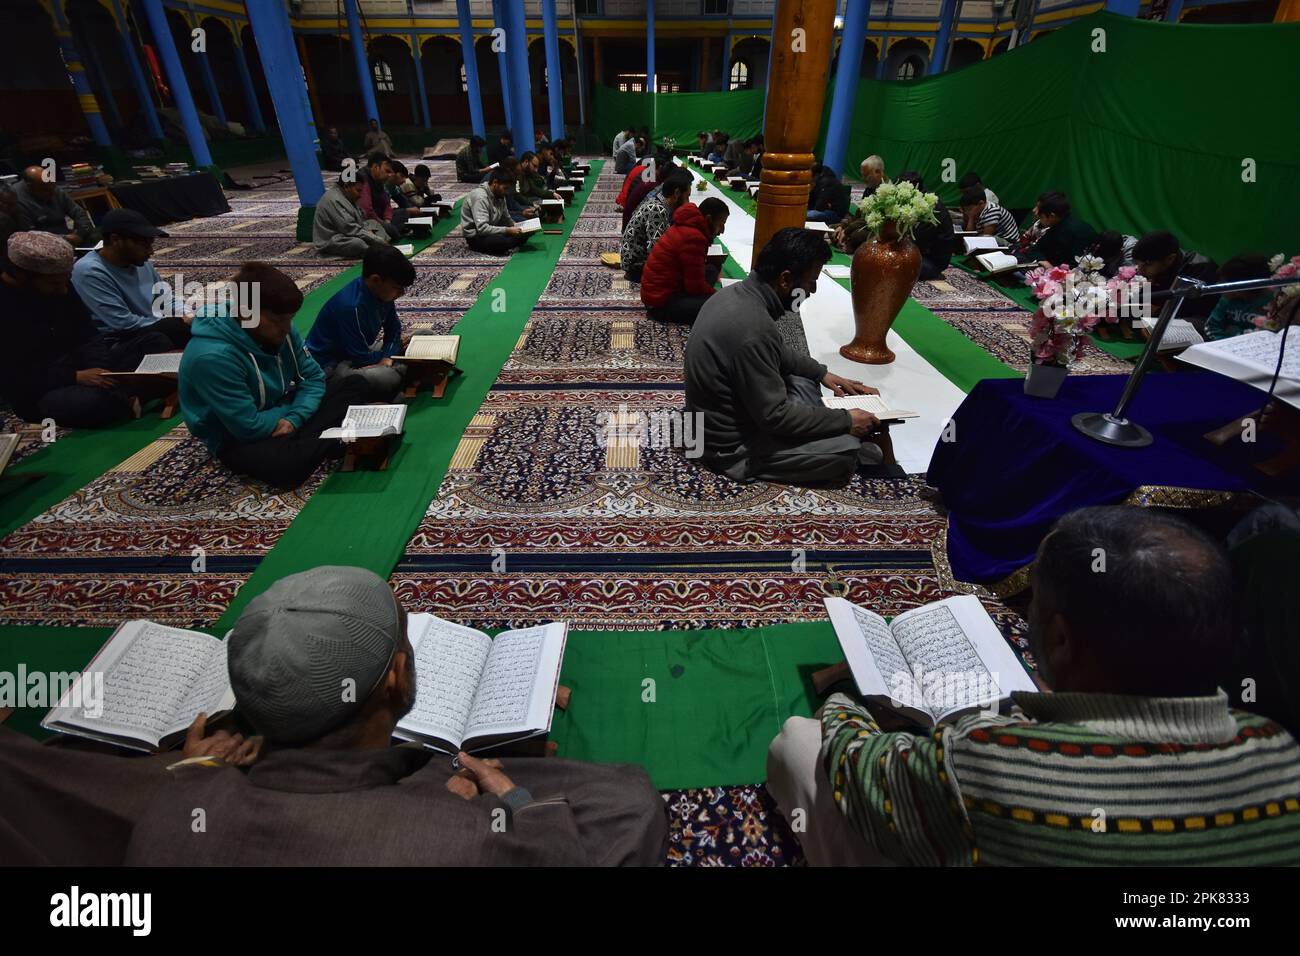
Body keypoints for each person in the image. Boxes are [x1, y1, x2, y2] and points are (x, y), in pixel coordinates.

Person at [768, 506, 1300, 866]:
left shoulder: (990, 759)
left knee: (798, 743)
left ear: (1061, 639)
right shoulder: (1276, 748)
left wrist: (847, 700)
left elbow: (854, 763)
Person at [111, 565, 669, 866]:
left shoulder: (170, 814)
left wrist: (195, 775)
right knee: (630, 806)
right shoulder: (459, 843)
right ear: (397, 679)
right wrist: (511, 798)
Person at [684, 227, 888, 488]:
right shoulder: (753, 328)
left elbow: (779, 353)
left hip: (720, 419)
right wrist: (846, 421)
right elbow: (775, 417)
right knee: (845, 453)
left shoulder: (736, 295)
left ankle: (818, 424)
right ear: (785, 280)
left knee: (804, 379)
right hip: (727, 447)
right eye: (810, 282)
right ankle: (759, 460)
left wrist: (823, 374)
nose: (812, 291)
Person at [179, 261, 371, 490]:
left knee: (356, 384)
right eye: (278, 320)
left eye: (289, 318)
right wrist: (293, 410)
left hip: (279, 409)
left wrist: (293, 418)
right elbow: (247, 427)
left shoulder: (281, 330)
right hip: (233, 435)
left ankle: (316, 439)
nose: (287, 327)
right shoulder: (212, 357)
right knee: (285, 467)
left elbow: (312, 377)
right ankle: (333, 439)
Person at [0, 231, 170, 427]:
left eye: (66, 280)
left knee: (157, 340)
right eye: (55, 284)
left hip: (87, 368)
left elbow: (87, 334)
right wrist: (76, 377)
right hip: (45, 388)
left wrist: (103, 372)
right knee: (92, 402)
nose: (64, 290)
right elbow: (13, 378)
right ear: (24, 276)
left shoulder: (59, 285)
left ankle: (128, 395)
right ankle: (132, 394)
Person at [71, 208, 191, 350]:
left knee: (209, 322)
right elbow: (123, 324)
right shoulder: (89, 271)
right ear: (116, 239)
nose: (150, 251)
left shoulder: (140, 261)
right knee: (162, 338)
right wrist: (178, 323)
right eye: (144, 244)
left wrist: (188, 315)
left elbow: (165, 299)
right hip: (117, 340)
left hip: (152, 326)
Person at [305, 244, 412, 401]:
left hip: (360, 353)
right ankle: (404, 372)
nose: (401, 294)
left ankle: (402, 371)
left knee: (423, 336)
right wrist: (390, 355)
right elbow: (360, 357)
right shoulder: (350, 306)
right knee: (388, 377)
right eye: (397, 288)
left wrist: (388, 356)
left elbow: (394, 330)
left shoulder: (382, 293)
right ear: (376, 280)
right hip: (332, 367)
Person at [640, 197, 729, 325]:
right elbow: (695, 287)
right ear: (708, 219)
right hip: (661, 303)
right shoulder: (693, 237)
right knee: (719, 304)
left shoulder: (689, 226)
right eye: (721, 224)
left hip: (663, 292)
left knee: (711, 269)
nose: (722, 230)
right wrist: (718, 296)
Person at [1133, 230, 1221, 327]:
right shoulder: (1155, 270)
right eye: (1137, 263)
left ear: (1170, 259)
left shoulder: (1201, 270)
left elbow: (1192, 310)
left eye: (1148, 264)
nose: (1140, 271)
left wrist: (1156, 311)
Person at [620, 169, 692, 283]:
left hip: (638, 262)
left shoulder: (661, 204)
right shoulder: (657, 209)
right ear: (677, 193)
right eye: (687, 196)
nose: (688, 202)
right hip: (636, 266)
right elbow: (657, 250)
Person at [15, 165, 97, 246]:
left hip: (67, 234)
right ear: (30, 186)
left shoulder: (54, 189)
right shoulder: (17, 199)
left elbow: (79, 213)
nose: (51, 193)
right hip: (41, 243)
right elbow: (29, 235)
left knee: (95, 236)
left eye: (52, 187)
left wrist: (80, 234)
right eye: (45, 190)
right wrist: (63, 238)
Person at [313, 174, 391, 259]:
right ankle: (376, 249)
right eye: (358, 190)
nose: (360, 195)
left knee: (373, 223)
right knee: (358, 243)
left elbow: (361, 218)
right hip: (334, 239)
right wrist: (375, 239)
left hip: (351, 231)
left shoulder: (347, 195)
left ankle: (377, 247)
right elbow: (349, 228)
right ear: (347, 186)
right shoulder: (334, 199)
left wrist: (369, 232)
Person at [897, 171, 954, 280]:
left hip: (932, 262)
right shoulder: (917, 201)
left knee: (893, 262)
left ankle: (932, 274)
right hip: (922, 254)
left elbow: (915, 243)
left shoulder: (930, 208)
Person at [1205, 254, 1274, 340]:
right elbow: (1212, 327)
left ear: (1239, 288)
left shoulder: (1271, 304)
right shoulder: (1227, 299)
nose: (1217, 285)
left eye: (1223, 282)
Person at [1016, 193, 1096, 267]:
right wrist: (1043, 261)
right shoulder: (1056, 227)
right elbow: (1034, 250)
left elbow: (1076, 266)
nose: (1034, 211)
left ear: (1052, 216)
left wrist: (1051, 268)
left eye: (1039, 212)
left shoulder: (1077, 232)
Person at [460, 168, 528, 256]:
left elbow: (507, 218)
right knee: (501, 242)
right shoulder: (480, 197)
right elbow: (482, 229)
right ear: (495, 183)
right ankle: (510, 243)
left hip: (492, 227)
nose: (506, 192)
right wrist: (507, 230)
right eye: (505, 188)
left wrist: (516, 226)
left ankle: (512, 241)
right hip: (476, 236)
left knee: (524, 227)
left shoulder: (500, 195)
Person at [833, 155, 887, 251]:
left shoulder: (886, 191)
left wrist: (847, 230)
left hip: (875, 229)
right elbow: (860, 213)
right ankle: (845, 241)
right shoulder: (870, 188)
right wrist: (843, 226)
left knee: (856, 235)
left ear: (878, 172)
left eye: (866, 175)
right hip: (863, 223)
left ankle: (847, 243)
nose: (863, 178)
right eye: (862, 175)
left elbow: (868, 219)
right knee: (834, 228)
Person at [359, 152, 406, 242]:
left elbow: (387, 204)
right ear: (376, 167)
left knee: (403, 213)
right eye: (387, 171)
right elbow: (367, 211)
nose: (389, 175)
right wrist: (384, 224)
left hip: (381, 219)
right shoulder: (363, 179)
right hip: (369, 221)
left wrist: (387, 220)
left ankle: (388, 233)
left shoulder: (380, 181)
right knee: (392, 231)